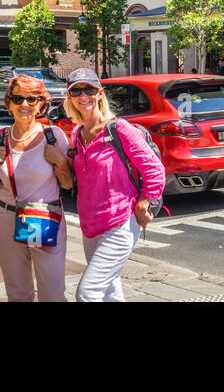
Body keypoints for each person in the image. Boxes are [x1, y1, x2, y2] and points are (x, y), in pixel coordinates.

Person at [65, 68, 165, 302]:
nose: (83, 96)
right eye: (76, 91)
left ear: (99, 93)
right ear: (69, 98)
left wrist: (145, 200)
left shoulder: (118, 129)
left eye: (88, 89)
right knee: (110, 292)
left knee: (87, 293)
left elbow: (154, 169)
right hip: (90, 226)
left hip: (118, 224)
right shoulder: (77, 134)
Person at [0, 74, 73, 302]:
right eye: (18, 99)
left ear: (41, 104)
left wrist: (61, 161)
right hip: (6, 217)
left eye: (32, 99)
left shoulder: (53, 137)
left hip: (41, 218)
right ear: (9, 103)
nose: (24, 105)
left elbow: (68, 183)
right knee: (18, 293)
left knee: (51, 293)